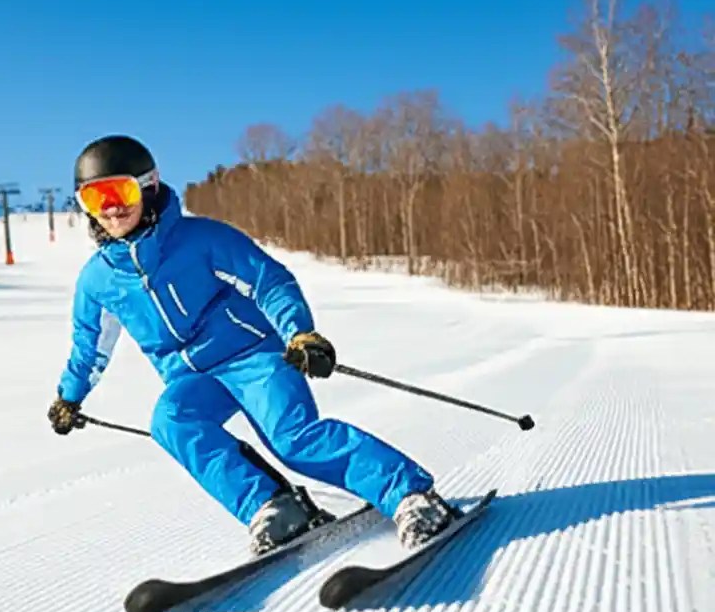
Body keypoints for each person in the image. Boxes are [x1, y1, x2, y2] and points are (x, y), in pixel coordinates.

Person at [46, 134, 454, 554]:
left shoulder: (201, 240)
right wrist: (69, 397)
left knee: (293, 439)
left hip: (253, 357)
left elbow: (268, 282)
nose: (111, 208)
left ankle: (409, 495)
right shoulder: (97, 280)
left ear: (148, 186)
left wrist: (299, 333)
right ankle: (274, 506)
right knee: (173, 421)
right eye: (96, 197)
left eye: (121, 192)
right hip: (192, 378)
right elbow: (89, 347)